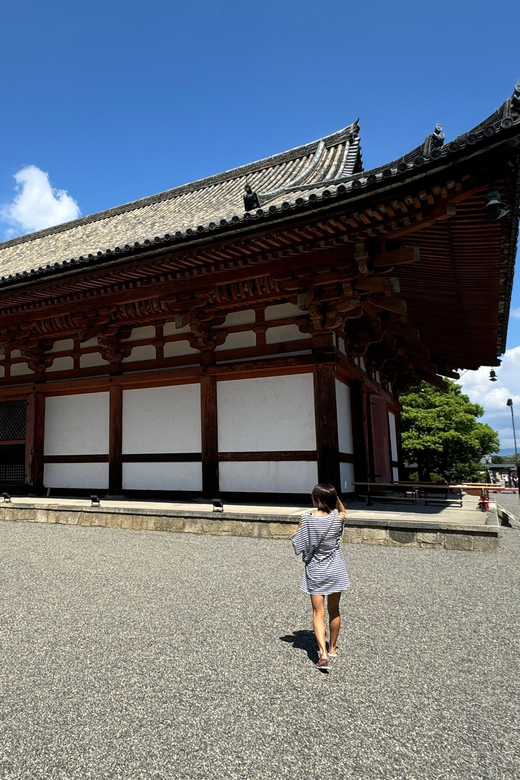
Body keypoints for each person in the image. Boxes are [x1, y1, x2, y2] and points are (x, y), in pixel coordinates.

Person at [292, 483, 351, 670]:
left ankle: (323, 654)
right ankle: (332, 647)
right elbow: (344, 511)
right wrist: (336, 500)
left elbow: (298, 544)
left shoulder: (306, 519)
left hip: (316, 570)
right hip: (336, 569)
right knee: (334, 610)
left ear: (316, 499)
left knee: (318, 612)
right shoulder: (337, 519)